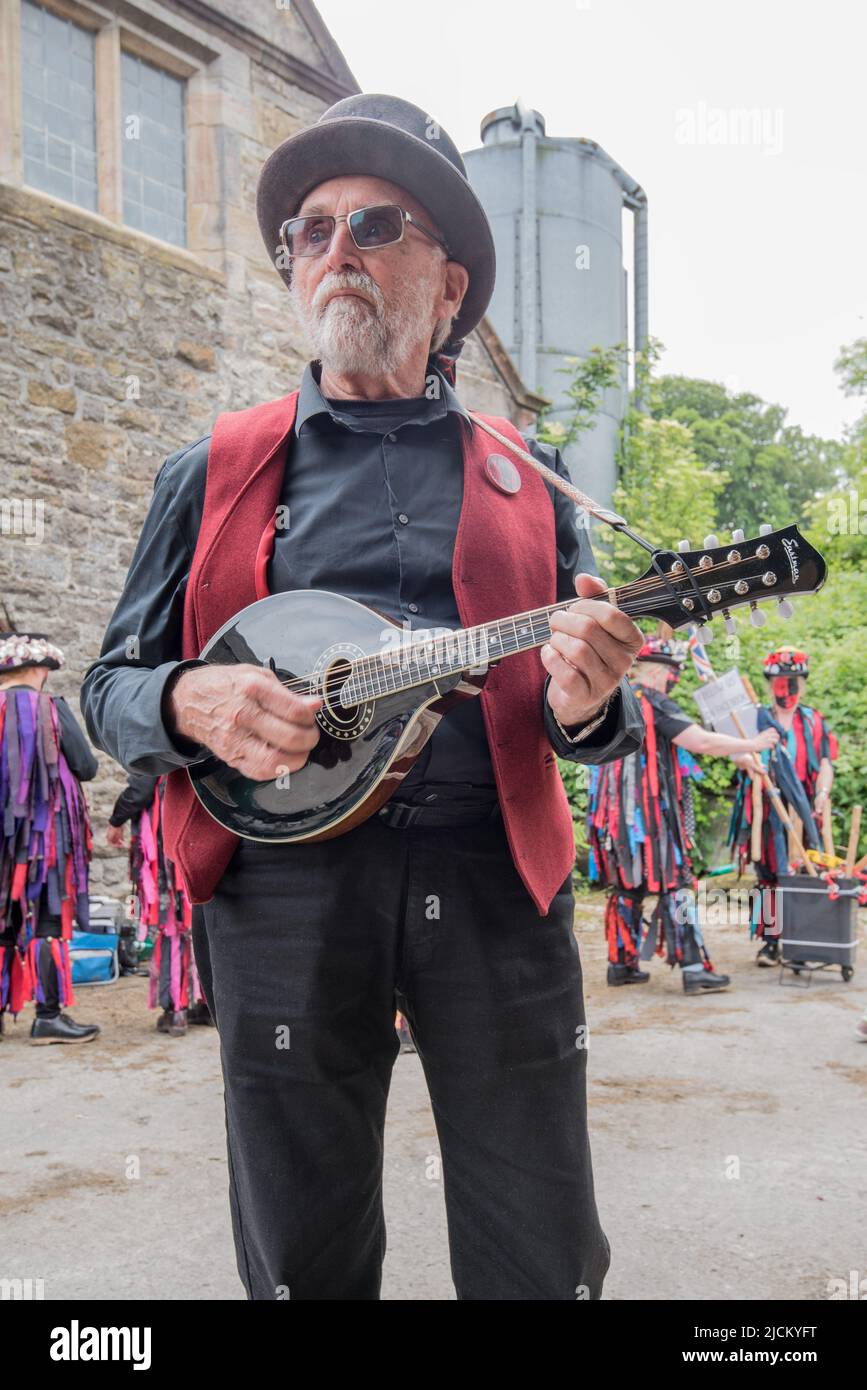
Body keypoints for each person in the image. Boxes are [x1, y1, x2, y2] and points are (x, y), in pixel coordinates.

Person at [81, 94, 649, 1301]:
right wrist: (189, 702)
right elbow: (108, 688)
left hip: (495, 883)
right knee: (304, 1255)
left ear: (448, 288)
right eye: (311, 229)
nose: (335, 247)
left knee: (541, 1249)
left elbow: (589, 719)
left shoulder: (527, 484)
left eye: (376, 223)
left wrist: (592, 698)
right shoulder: (213, 470)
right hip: (286, 891)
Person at [587, 637, 780, 994]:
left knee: (629, 886)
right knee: (675, 886)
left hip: (616, 822)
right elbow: (699, 742)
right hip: (651, 819)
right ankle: (694, 968)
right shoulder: (654, 701)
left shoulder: (615, 699)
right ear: (660, 671)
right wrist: (752, 744)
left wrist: (737, 754)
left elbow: (679, 751)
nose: (675, 679)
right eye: (673, 673)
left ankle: (622, 964)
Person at [0, 632, 100, 1044]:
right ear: (41, 670)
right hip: (45, 839)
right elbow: (87, 766)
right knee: (45, 916)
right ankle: (48, 1016)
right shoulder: (52, 708)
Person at [728, 645, 837, 965]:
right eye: (780, 682)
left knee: (803, 870)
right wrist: (749, 762)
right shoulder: (755, 717)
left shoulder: (814, 721)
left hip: (804, 810)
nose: (786, 688)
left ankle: (800, 939)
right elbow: (736, 755)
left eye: (792, 681)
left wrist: (823, 791)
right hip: (766, 806)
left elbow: (827, 762)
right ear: (769, 684)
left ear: (802, 683)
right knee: (769, 875)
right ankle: (770, 941)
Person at [107, 772, 213, 1035]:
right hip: (198, 843)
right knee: (197, 924)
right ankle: (204, 1003)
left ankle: (175, 1009)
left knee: (172, 929)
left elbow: (141, 788)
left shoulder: (160, 736)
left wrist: (116, 818)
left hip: (169, 849)